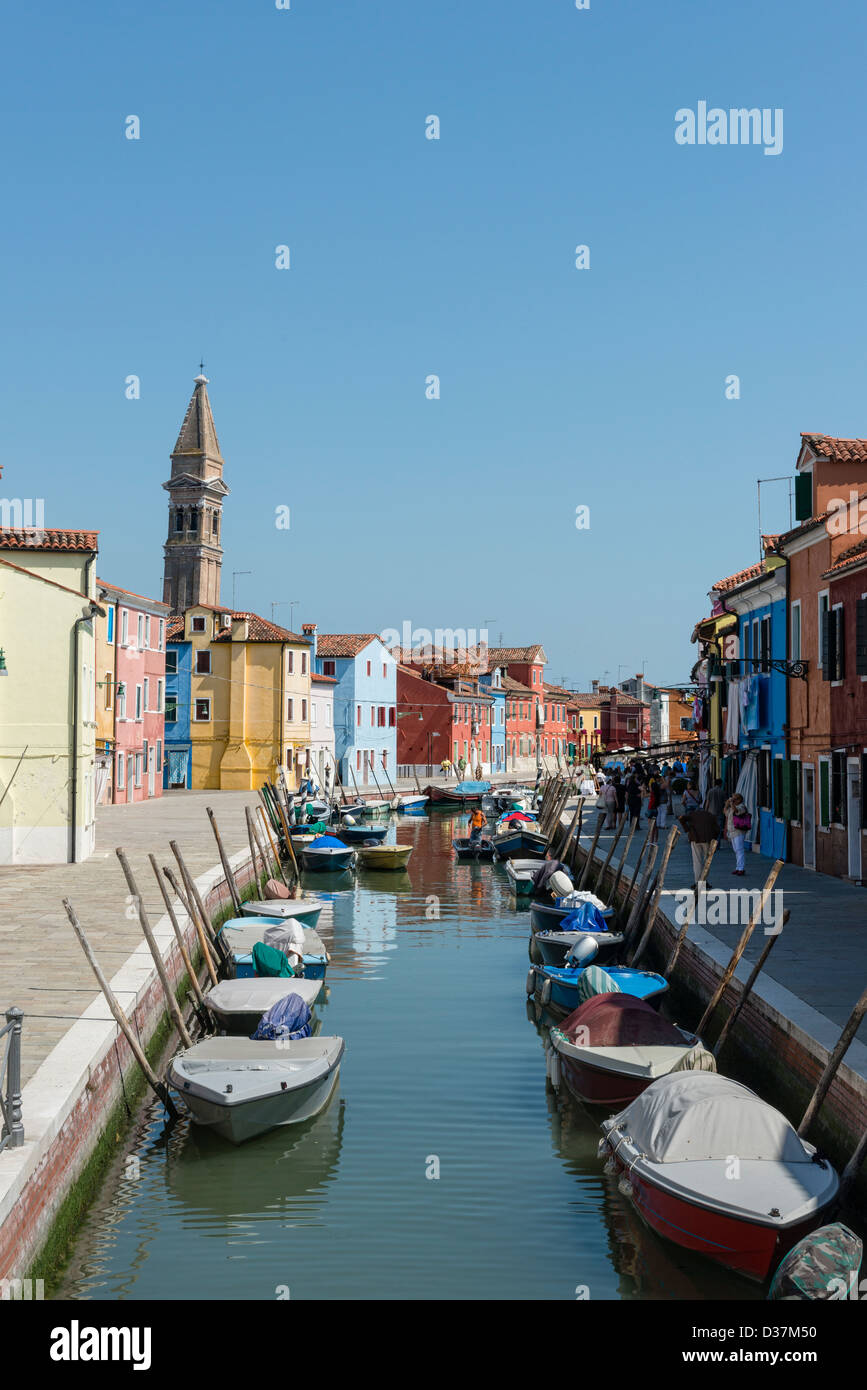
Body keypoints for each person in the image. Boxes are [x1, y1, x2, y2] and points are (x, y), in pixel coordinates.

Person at [678, 805, 719, 889]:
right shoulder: (711, 815)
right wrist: (713, 838)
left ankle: (697, 882)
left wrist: (687, 829)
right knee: (707, 861)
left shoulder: (692, 814)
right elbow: (717, 829)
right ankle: (704, 881)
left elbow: (681, 818)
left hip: (695, 838)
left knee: (697, 861)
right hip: (707, 839)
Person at [724, 792, 750, 875]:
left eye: (734, 799)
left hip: (739, 831)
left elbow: (737, 812)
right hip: (732, 831)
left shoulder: (742, 806)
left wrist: (731, 803)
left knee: (739, 850)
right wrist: (727, 804)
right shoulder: (732, 807)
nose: (733, 800)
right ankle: (738, 867)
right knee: (736, 850)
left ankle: (741, 868)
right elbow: (725, 813)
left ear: (739, 800)